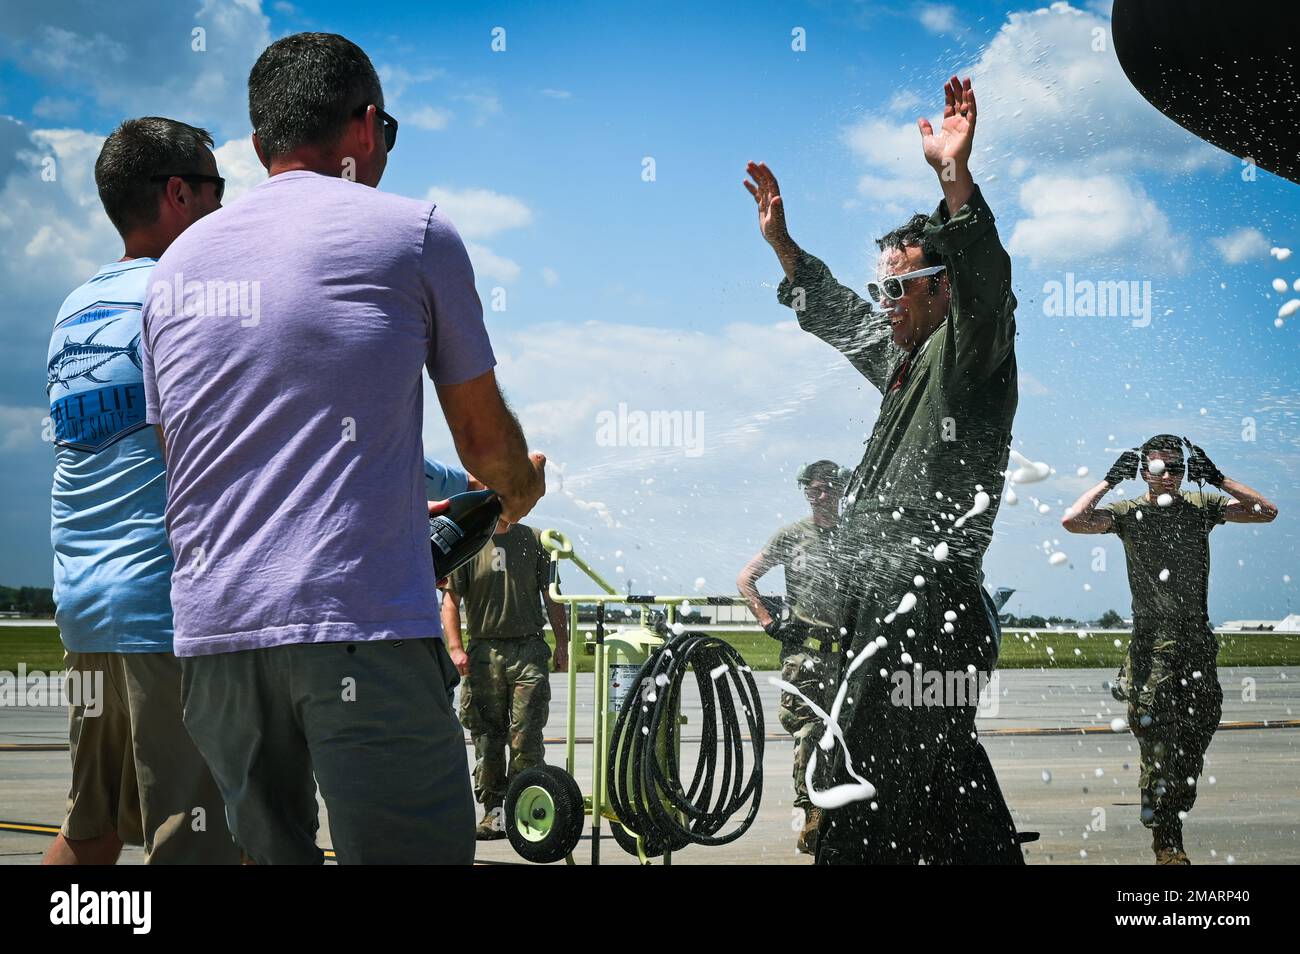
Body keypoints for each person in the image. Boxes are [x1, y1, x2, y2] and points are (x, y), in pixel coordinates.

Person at [140, 32, 545, 864]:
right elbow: (483, 441)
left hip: (217, 637)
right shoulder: (415, 233)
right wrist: (514, 489)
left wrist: (390, 505)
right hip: (357, 624)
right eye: (386, 133)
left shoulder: (176, 268)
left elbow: (191, 456)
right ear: (366, 128)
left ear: (258, 147)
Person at [744, 76, 1024, 864]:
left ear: (943, 290)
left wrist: (953, 178)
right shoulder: (906, 363)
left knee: (851, 777)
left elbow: (989, 286)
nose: (886, 303)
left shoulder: (966, 358)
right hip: (907, 618)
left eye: (899, 288)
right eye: (883, 287)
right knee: (940, 787)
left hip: (924, 615)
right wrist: (786, 250)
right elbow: (841, 321)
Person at [43, 117, 238, 865]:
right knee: (189, 839)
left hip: (86, 613)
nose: (224, 209)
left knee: (89, 829)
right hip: (163, 614)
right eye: (217, 189)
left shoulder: (74, 308)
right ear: (179, 192)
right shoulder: (183, 295)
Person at [1062, 434, 1277, 864]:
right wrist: (1108, 481)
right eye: (1159, 468)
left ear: (1184, 472)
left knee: (1195, 739)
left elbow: (1266, 512)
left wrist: (1218, 478)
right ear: (1144, 472)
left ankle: (1167, 811)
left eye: (1177, 468)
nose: (1169, 476)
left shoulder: (1201, 509)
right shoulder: (1130, 513)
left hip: (1197, 646)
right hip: (1152, 652)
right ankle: (1167, 841)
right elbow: (1073, 520)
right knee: (1159, 747)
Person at [737, 460, 847, 856]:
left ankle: (838, 812)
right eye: (815, 489)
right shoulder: (791, 536)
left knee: (844, 736)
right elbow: (745, 578)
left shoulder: (852, 536)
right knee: (808, 734)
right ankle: (809, 814)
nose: (822, 496)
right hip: (804, 658)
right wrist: (767, 621)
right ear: (806, 491)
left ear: (841, 490)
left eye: (829, 488)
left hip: (846, 659)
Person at [440, 523, 569, 839]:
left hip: (529, 650)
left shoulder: (535, 540)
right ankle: (494, 814)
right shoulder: (470, 540)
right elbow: (451, 600)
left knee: (526, 735)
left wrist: (563, 643)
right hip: (484, 651)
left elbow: (553, 597)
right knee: (489, 738)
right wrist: (455, 648)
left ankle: (524, 808)